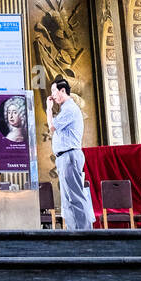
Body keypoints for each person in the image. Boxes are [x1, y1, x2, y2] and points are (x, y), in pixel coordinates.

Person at [47, 78, 92, 231]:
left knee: (75, 197)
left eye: (54, 91)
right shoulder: (65, 109)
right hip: (64, 157)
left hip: (70, 156)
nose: (52, 95)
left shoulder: (70, 108)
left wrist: (48, 109)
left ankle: (85, 233)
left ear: (63, 91)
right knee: (67, 200)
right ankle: (74, 233)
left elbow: (52, 126)